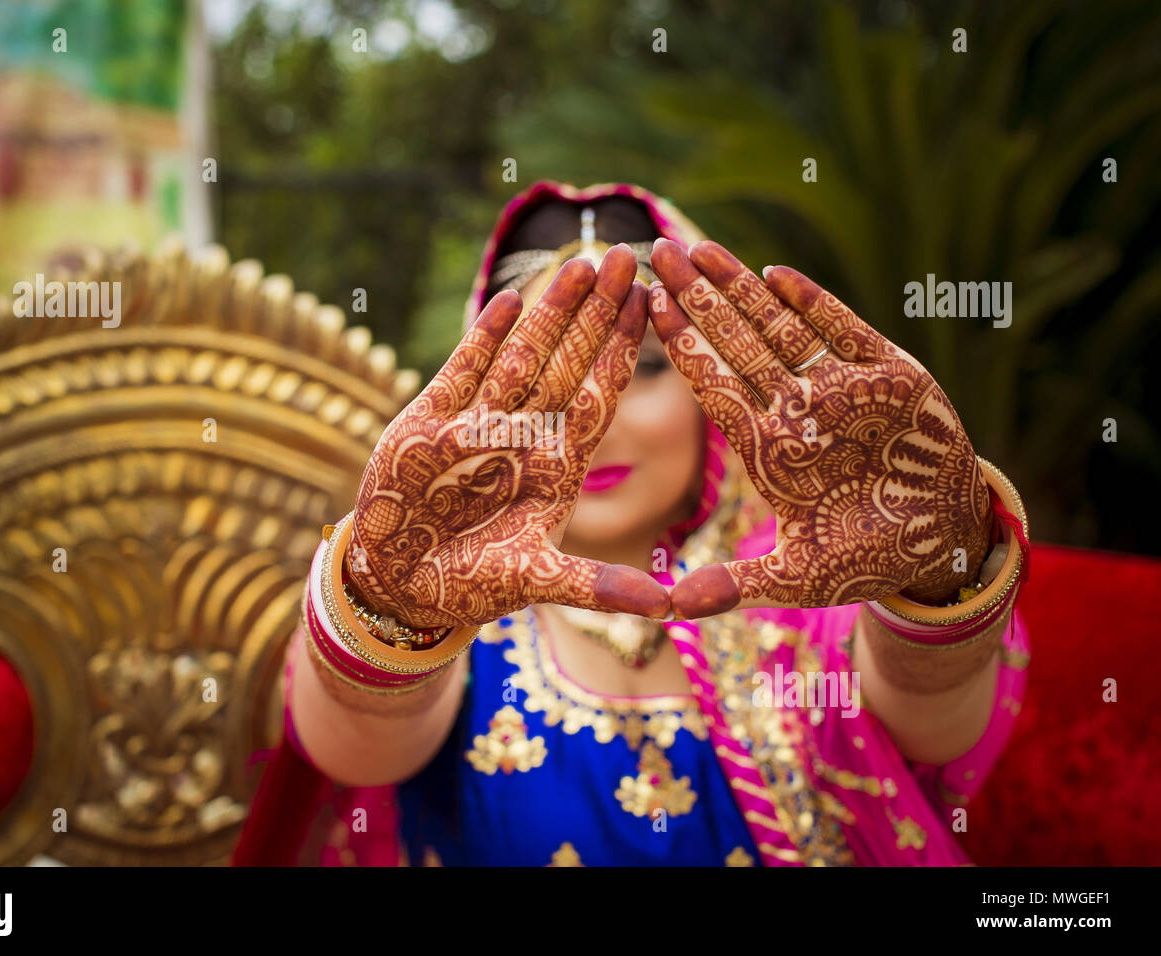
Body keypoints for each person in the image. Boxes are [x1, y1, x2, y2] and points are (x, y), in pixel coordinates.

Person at [235, 181, 1030, 866]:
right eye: (549, 380)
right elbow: (352, 745)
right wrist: (395, 601)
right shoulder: (446, 620)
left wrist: (940, 562)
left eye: (645, 367)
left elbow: (933, 720)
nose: (597, 416)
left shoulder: (814, 593)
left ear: (711, 393)